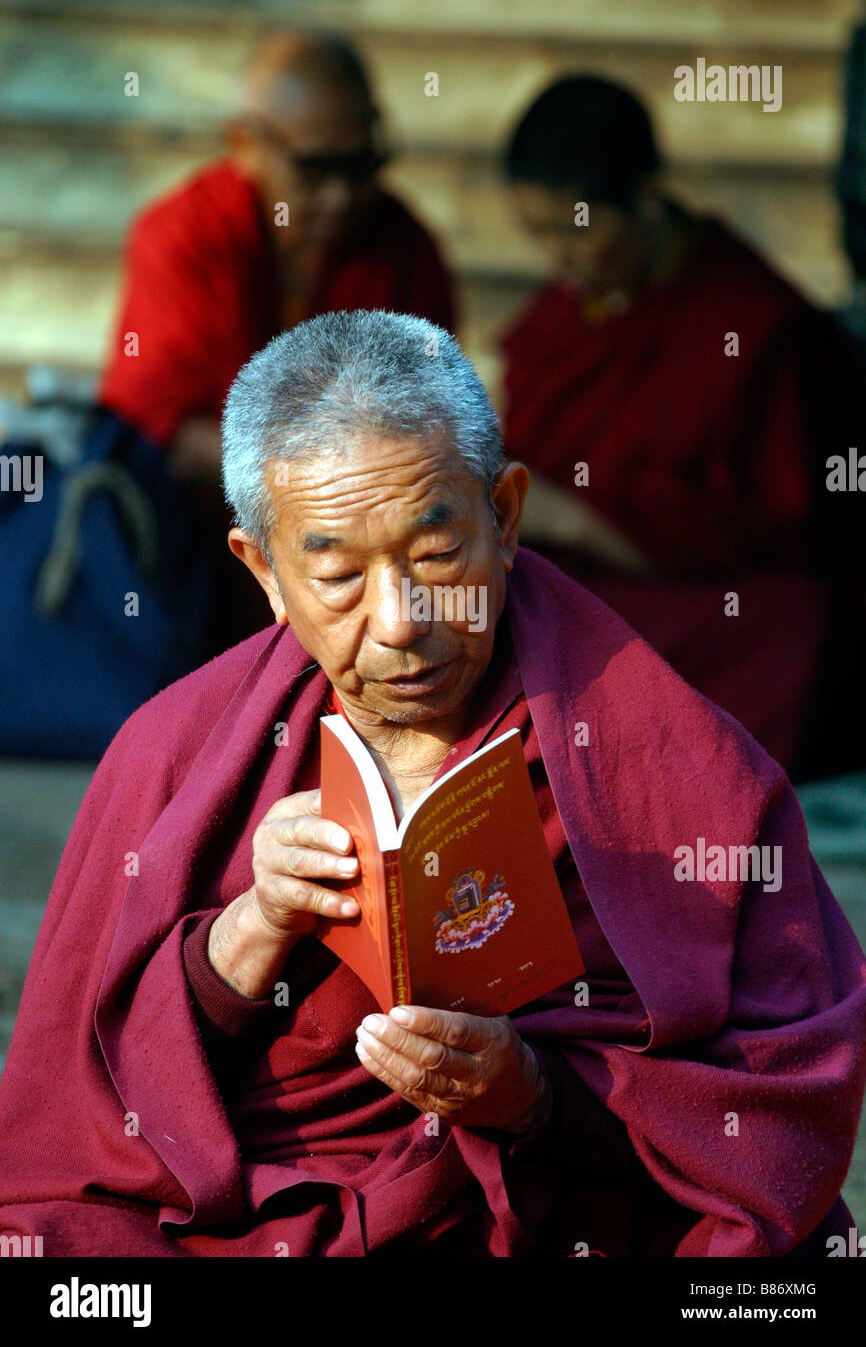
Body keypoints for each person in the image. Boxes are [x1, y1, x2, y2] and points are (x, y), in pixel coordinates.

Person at [1, 312, 863, 1258]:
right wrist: (249, 934)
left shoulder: (667, 752)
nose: (402, 622)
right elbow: (76, 1104)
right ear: (265, 571)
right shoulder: (173, 750)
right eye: (335, 574)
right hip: (259, 1216)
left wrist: (539, 1095)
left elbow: (785, 1099)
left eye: (438, 554)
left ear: (505, 518)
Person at [499, 75, 864, 777]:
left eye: (575, 231)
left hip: (695, 594)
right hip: (572, 579)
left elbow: (782, 534)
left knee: (788, 626)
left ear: (644, 196)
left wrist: (575, 519)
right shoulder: (577, 309)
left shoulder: (760, 326)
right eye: (539, 235)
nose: (561, 262)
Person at [98, 32, 456, 651]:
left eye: (361, 167)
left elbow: (432, 417)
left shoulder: (404, 248)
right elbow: (161, 429)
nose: (343, 197)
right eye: (316, 170)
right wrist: (315, 490)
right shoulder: (185, 235)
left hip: (361, 561)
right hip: (198, 554)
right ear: (245, 144)